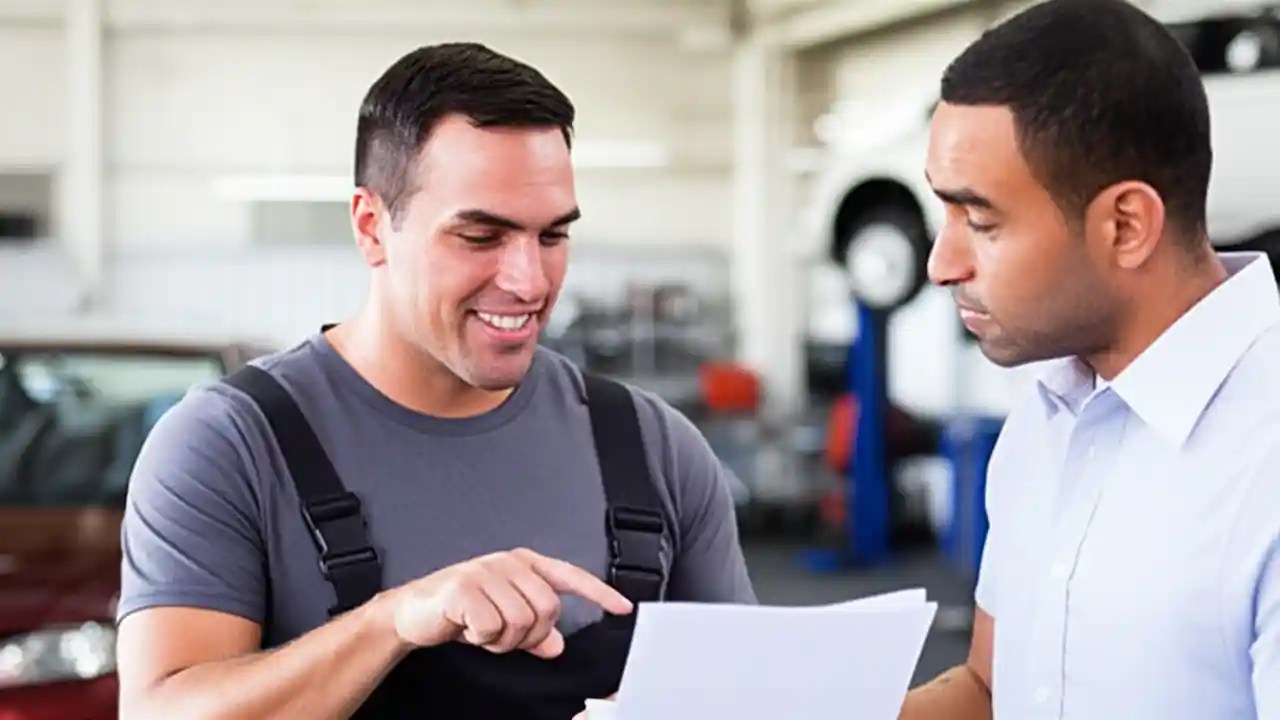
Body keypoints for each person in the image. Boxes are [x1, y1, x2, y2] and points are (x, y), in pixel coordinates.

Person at [114, 42, 755, 719]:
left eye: (552, 236)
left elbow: (750, 692)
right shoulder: (227, 446)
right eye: (481, 237)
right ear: (371, 227)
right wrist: (393, 621)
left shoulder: (654, 449)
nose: (529, 282)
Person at [898, 0, 1280, 718]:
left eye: (978, 221)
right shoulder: (1047, 419)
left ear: (1126, 225)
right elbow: (991, 690)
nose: (940, 264)